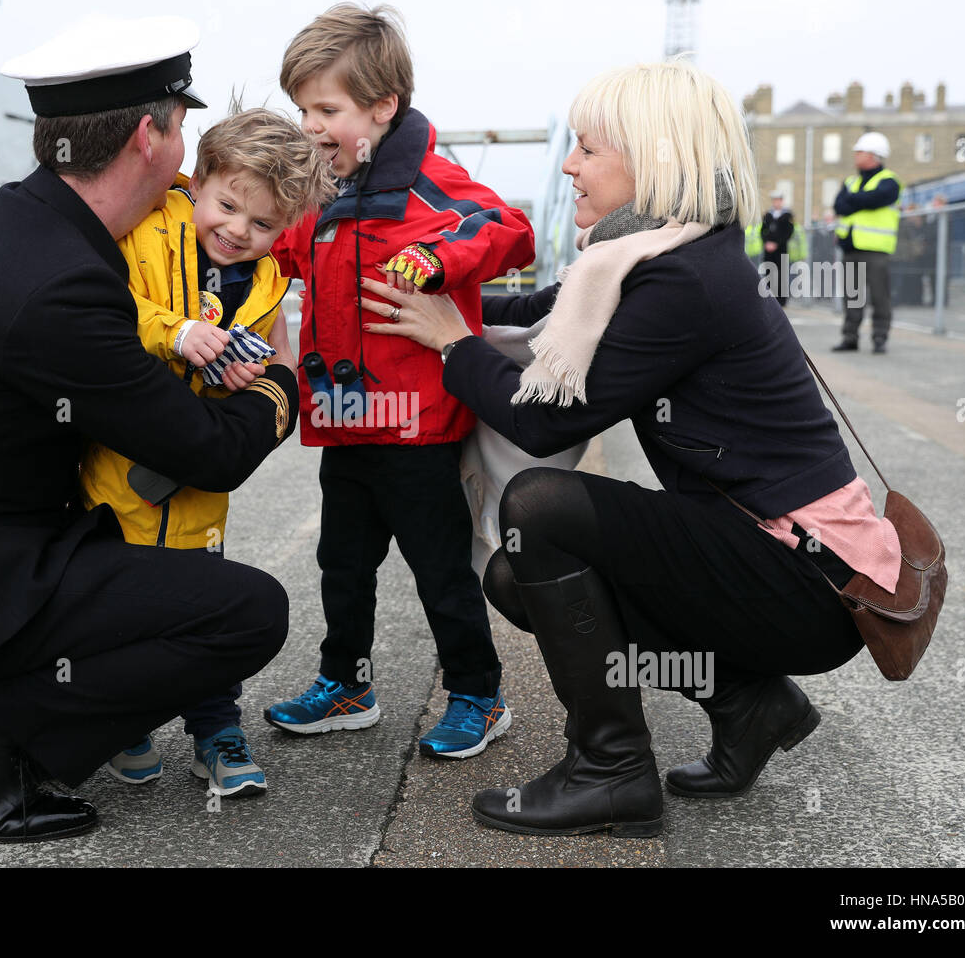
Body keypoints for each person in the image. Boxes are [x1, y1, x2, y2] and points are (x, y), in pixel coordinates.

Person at [359, 59, 899, 836]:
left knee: (540, 508)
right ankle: (747, 701)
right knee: (519, 577)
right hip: (774, 556)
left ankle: (610, 771)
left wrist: (451, 345)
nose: (570, 165)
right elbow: (538, 309)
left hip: (810, 580)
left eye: (588, 149)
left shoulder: (684, 280)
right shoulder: (648, 256)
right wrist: (438, 299)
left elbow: (543, 422)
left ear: (656, 160)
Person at [0, 15, 299, 843]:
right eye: (183, 129)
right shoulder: (61, 283)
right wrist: (281, 384)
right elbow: (208, 453)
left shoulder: (22, 229)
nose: (188, 156)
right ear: (146, 139)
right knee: (247, 614)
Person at [262, 3, 535, 759]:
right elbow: (272, 244)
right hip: (345, 423)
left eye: (327, 109)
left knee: (440, 573)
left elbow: (510, 227)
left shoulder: (430, 184)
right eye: (302, 109)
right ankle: (347, 684)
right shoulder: (320, 196)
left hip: (417, 430)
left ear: (382, 108)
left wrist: (444, 260)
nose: (312, 125)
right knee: (341, 567)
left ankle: (479, 695)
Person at [80, 107, 335, 797]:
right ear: (200, 182)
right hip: (115, 481)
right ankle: (127, 723)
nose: (238, 232)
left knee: (207, 611)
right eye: (226, 206)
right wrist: (177, 330)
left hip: (197, 494)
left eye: (262, 225)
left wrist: (249, 380)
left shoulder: (266, 285)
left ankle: (217, 730)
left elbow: (276, 370)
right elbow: (98, 305)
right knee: (120, 612)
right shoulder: (143, 232)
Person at [833, 131, 900, 353]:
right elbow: (840, 206)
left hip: (876, 251)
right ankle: (850, 337)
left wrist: (855, 200)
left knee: (880, 296)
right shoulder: (851, 181)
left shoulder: (889, 181)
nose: (855, 155)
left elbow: (874, 200)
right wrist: (860, 201)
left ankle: (880, 338)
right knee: (852, 297)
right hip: (850, 248)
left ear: (874, 155)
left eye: (859, 151)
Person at [760, 190, 795, 306]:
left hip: (781, 250)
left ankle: (782, 300)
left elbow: (788, 233)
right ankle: (771, 298)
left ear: (781, 201)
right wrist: (766, 242)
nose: (776, 203)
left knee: (782, 274)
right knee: (770, 273)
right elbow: (762, 231)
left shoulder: (787, 215)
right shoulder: (768, 215)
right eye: (774, 200)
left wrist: (776, 243)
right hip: (769, 251)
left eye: (778, 200)